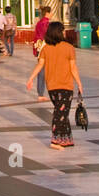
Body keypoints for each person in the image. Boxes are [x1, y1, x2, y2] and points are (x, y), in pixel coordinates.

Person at [25, 21, 83, 150]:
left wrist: (31, 79)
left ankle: (66, 139)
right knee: (60, 114)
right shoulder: (69, 48)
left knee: (62, 112)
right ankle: (55, 140)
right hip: (65, 86)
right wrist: (79, 83)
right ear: (58, 32)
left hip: (52, 87)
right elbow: (73, 68)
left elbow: (40, 65)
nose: (64, 32)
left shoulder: (46, 48)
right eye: (62, 30)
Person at [32, 7, 51, 100]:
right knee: (44, 70)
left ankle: (41, 93)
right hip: (46, 47)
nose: (52, 15)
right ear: (47, 13)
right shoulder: (46, 23)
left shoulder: (39, 23)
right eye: (51, 13)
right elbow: (48, 36)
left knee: (42, 70)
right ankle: (43, 93)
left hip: (39, 47)